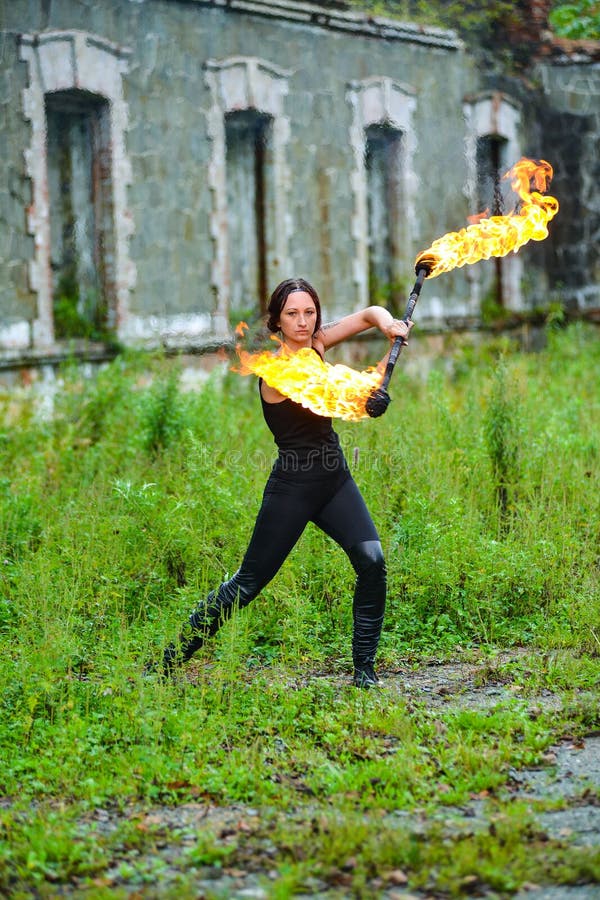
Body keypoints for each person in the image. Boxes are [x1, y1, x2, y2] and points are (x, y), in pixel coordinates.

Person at [158, 277, 412, 687]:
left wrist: (389, 326)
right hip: (292, 488)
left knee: (372, 561)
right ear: (277, 321)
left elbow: (369, 314)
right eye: (292, 314)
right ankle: (167, 663)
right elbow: (335, 394)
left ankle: (364, 671)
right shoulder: (277, 373)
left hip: (334, 479)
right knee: (247, 585)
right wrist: (371, 391)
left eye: (309, 312)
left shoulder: (317, 345)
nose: (303, 322)